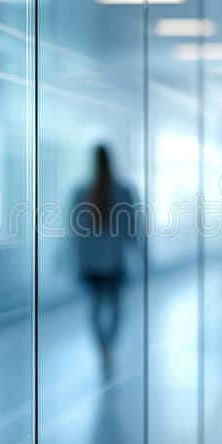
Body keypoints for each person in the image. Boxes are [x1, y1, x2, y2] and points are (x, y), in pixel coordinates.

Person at [71, 145, 139, 380]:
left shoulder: (81, 192)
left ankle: (102, 349)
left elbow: (75, 234)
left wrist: (77, 263)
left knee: (96, 308)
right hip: (114, 263)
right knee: (116, 307)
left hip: (90, 264)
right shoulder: (123, 191)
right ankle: (109, 347)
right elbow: (132, 232)